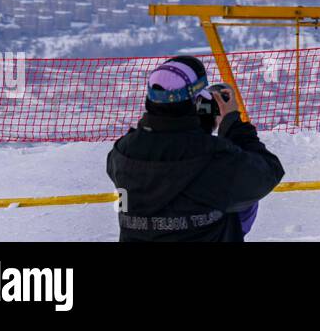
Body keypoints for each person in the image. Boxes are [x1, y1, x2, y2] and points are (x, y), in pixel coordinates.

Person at [106, 56, 285, 242]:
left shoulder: (121, 152)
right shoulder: (214, 156)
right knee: (241, 196)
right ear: (196, 101)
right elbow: (268, 171)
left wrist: (193, 128)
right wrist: (233, 125)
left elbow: (167, 162)